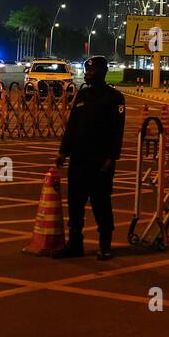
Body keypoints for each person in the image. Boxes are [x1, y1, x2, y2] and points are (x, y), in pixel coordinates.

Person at [53, 56, 125, 260]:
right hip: (78, 159)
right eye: (86, 70)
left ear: (101, 72)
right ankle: (75, 244)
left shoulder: (115, 98)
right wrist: (63, 152)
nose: (87, 73)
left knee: (101, 204)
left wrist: (112, 157)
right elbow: (72, 126)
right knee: (75, 204)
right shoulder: (83, 94)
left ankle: (105, 245)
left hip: (101, 161)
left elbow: (117, 131)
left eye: (91, 70)